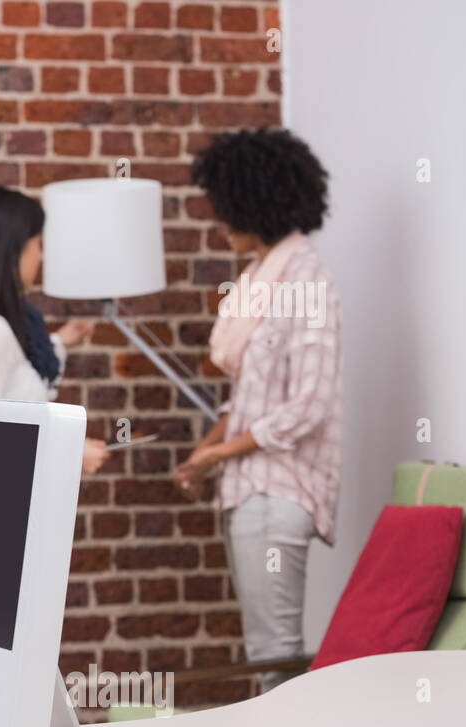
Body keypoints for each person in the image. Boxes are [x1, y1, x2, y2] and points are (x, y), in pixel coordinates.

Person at [176, 127, 342, 693]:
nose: (220, 220)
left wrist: (223, 449)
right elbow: (252, 397)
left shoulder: (305, 280)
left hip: (277, 496)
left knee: (275, 663)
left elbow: (308, 405)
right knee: (266, 655)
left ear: (256, 202)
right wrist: (208, 453)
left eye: (226, 207)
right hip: (249, 491)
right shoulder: (262, 280)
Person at [0, 185, 109, 475]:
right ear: (13, 249)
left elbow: (13, 381)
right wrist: (69, 453)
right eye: (37, 245)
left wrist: (60, 341)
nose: (40, 257)